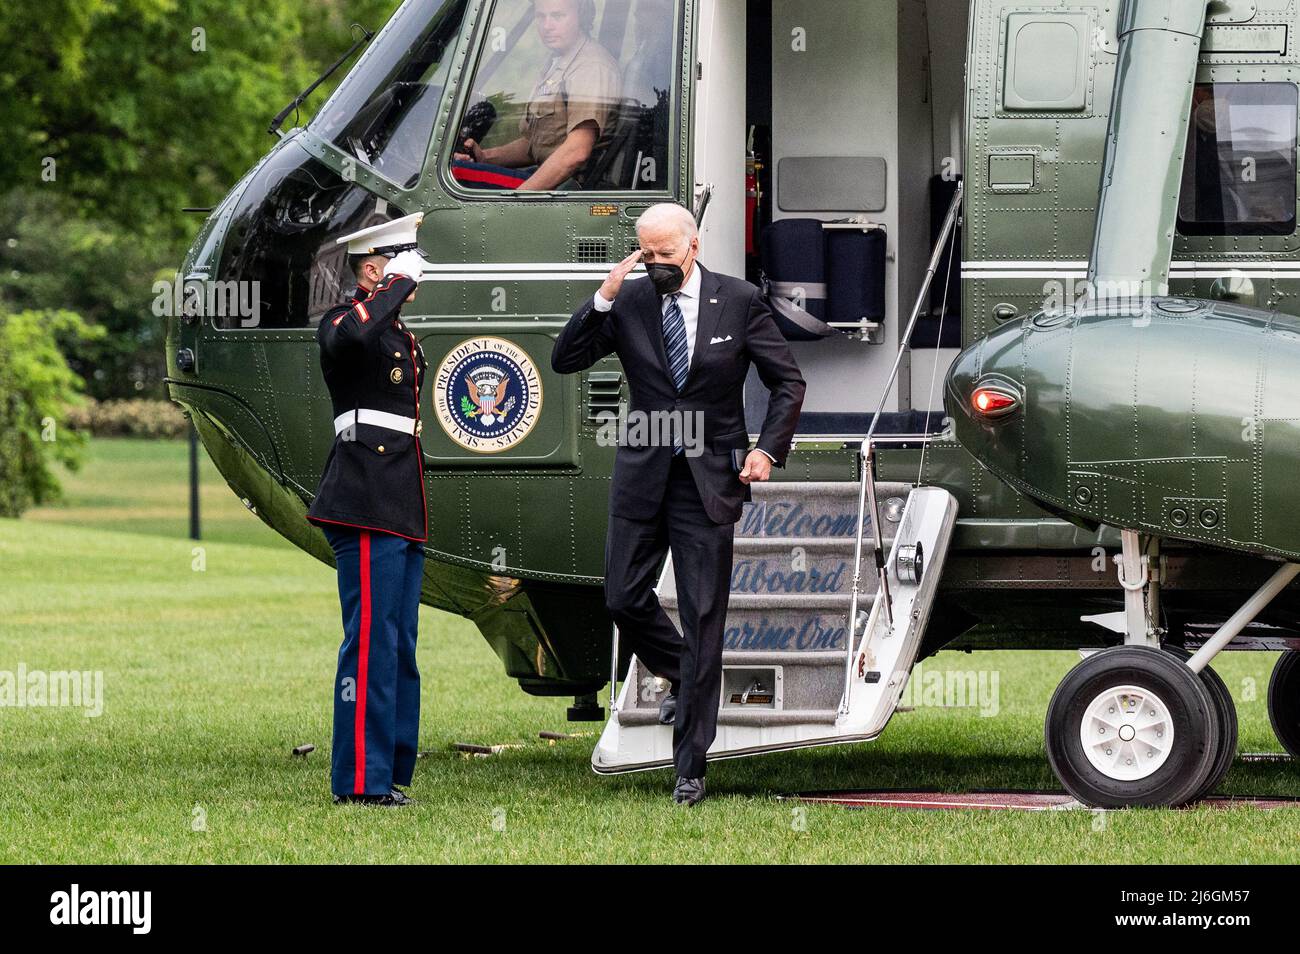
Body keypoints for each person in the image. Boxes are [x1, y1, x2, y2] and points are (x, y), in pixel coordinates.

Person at [551, 203, 805, 805]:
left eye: (666, 253)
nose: (657, 264)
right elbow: (566, 358)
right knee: (622, 597)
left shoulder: (738, 299)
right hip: (642, 476)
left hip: (708, 481)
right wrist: (604, 296)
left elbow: (787, 382)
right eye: (647, 254)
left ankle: (690, 767)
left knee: (703, 616)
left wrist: (767, 449)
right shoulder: (632, 302)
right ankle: (691, 675)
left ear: (692, 245)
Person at [306, 212, 430, 806]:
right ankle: (360, 780)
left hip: (399, 500)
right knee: (370, 644)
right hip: (362, 498)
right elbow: (351, 335)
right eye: (399, 261)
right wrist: (394, 286)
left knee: (399, 641)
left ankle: (392, 770)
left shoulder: (398, 334)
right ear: (373, 266)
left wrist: (394, 294)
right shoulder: (343, 322)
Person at [452, 0, 621, 190]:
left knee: (456, 174)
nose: (547, 26)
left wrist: (518, 199)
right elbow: (536, 145)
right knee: (460, 168)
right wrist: (485, 157)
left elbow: (577, 151)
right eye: (541, 16)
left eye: (557, 16)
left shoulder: (590, 66)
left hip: (566, 190)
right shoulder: (558, 61)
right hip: (547, 177)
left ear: (581, 17)